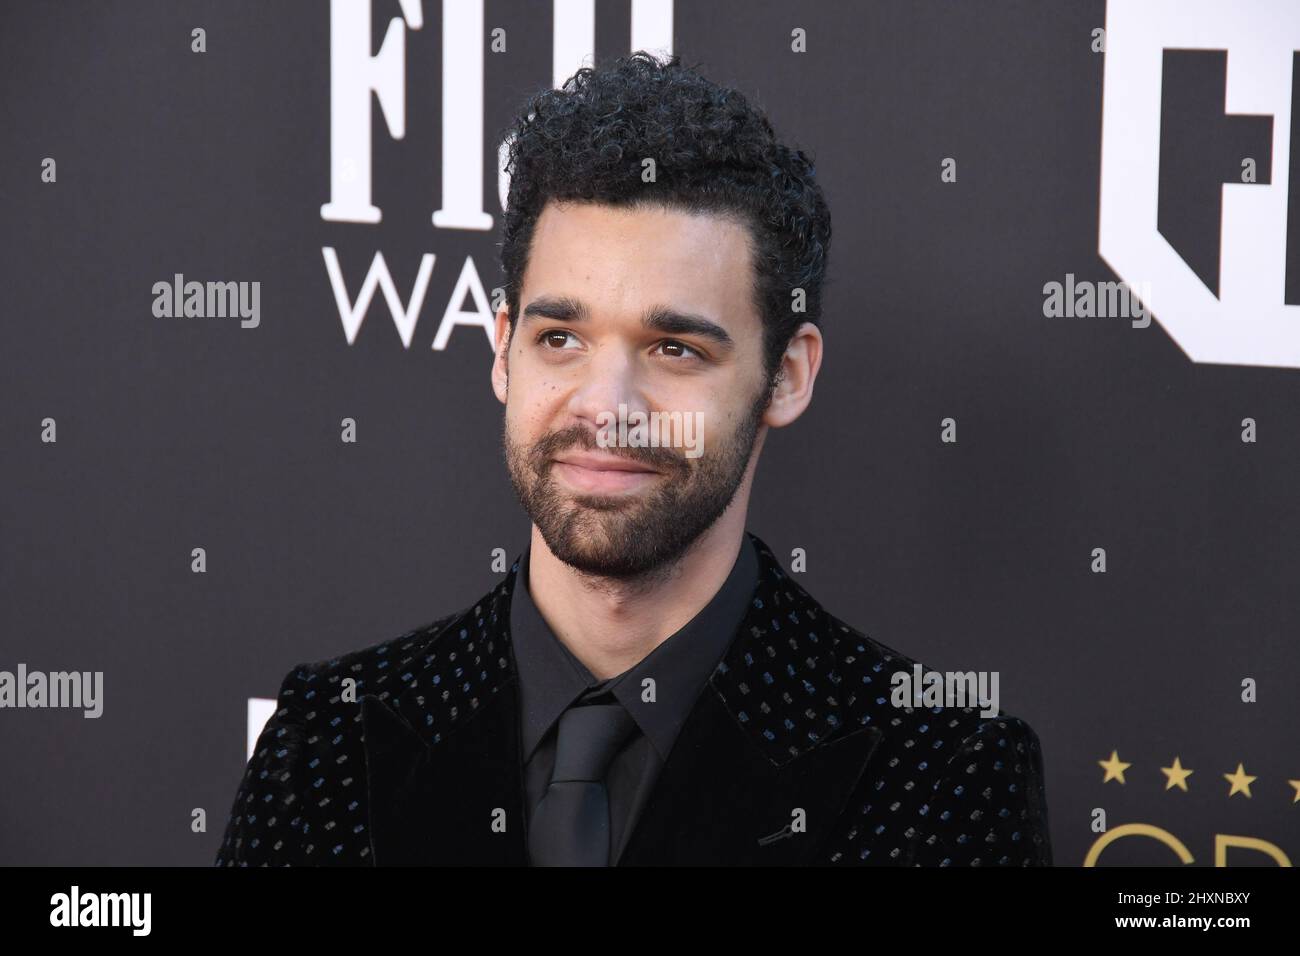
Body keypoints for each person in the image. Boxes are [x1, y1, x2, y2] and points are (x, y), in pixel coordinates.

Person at [215, 51, 1051, 867]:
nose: (605, 407)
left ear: (786, 375)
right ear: (503, 352)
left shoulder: (944, 771)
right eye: (561, 339)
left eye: (674, 348)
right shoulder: (328, 738)